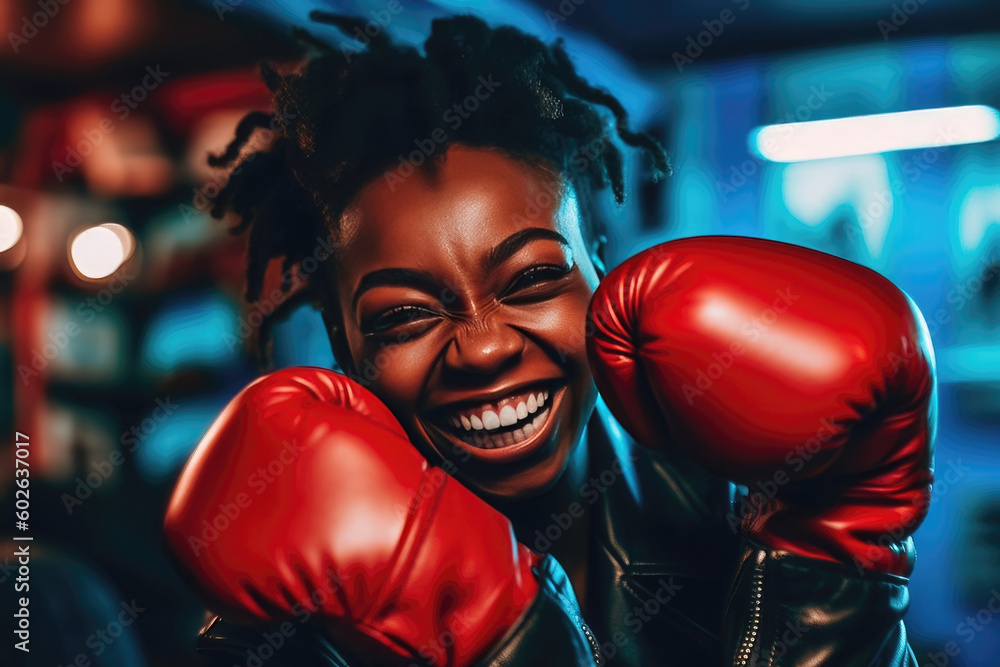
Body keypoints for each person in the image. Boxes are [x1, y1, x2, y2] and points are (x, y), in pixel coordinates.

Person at [163, 13, 935, 666]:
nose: (485, 348)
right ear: (342, 343)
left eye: (531, 280)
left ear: (600, 270)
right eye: (403, 316)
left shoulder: (732, 493)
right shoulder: (294, 617)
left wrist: (836, 568)